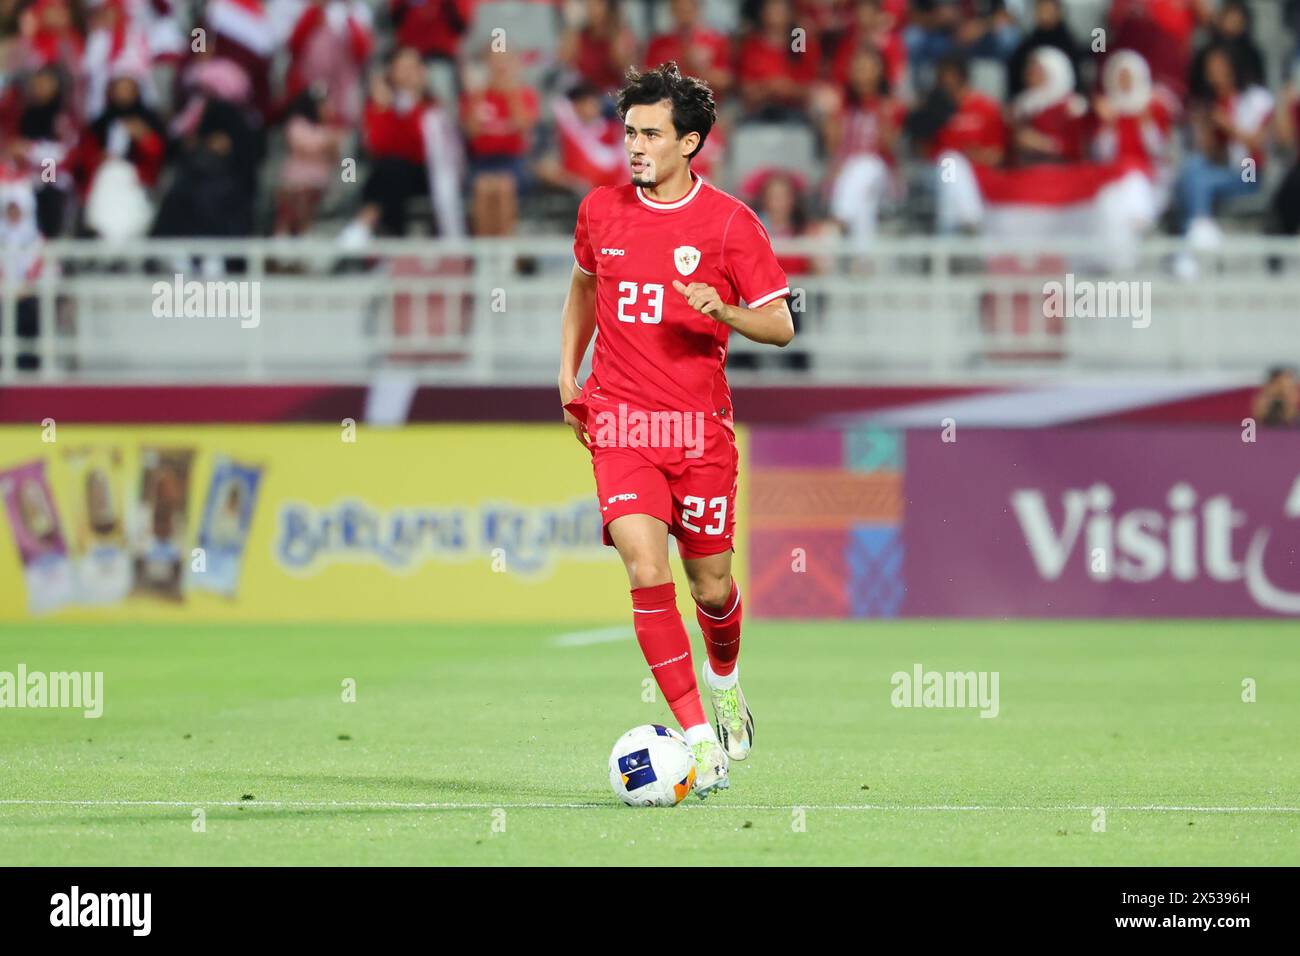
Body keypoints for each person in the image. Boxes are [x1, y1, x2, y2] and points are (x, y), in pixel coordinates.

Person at [558, 62, 794, 798]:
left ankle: (725, 680)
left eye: (651, 134)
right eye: (629, 132)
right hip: (620, 421)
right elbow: (585, 286)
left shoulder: (730, 224)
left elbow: (782, 325)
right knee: (642, 565)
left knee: (712, 585)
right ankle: (697, 737)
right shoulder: (600, 210)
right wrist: (568, 375)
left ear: (688, 142)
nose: (635, 146)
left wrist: (724, 312)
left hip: (700, 433)